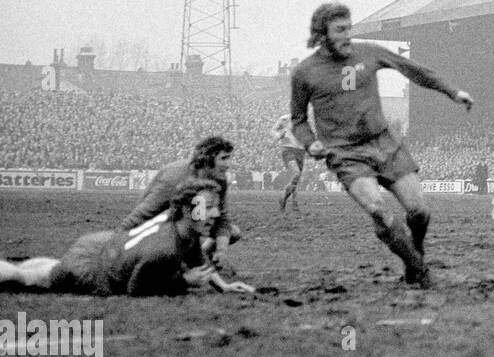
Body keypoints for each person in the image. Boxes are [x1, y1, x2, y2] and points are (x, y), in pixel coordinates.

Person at [290, 2, 474, 289]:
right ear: (322, 33)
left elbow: (415, 70)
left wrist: (453, 91)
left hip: (385, 144)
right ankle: (419, 270)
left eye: (349, 28)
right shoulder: (305, 73)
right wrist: (310, 142)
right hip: (346, 154)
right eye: (340, 30)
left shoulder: (369, 52)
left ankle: (416, 251)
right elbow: (298, 119)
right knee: (378, 210)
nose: (347, 35)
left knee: (420, 212)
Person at [0, 178, 253, 295]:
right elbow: (136, 288)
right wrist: (185, 281)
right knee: (27, 278)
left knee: (46, 267)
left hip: (104, 245)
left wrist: (223, 285)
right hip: (90, 269)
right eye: (208, 206)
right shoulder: (165, 250)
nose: (216, 213)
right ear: (189, 209)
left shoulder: (181, 222)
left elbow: (194, 252)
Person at [121, 136, 240, 277]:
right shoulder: (174, 177)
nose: (228, 164)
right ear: (208, 159)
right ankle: (180, 259)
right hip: (163, 223)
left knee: (233, 232)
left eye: (229, 158)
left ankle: (201, 256)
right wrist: (114, 249)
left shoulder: (220, 178)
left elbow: (223, 219)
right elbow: (141, 216)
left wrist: (221, 252)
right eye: (224, 158)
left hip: (187, 220)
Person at [272, 112, 306, 213]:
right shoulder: (284, 119)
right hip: (288, 149)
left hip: (300, 150)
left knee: (296, 178)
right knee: (296, 173)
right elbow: (273, 130)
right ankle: (285, 198)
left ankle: (292, 202)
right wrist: (279, 135)